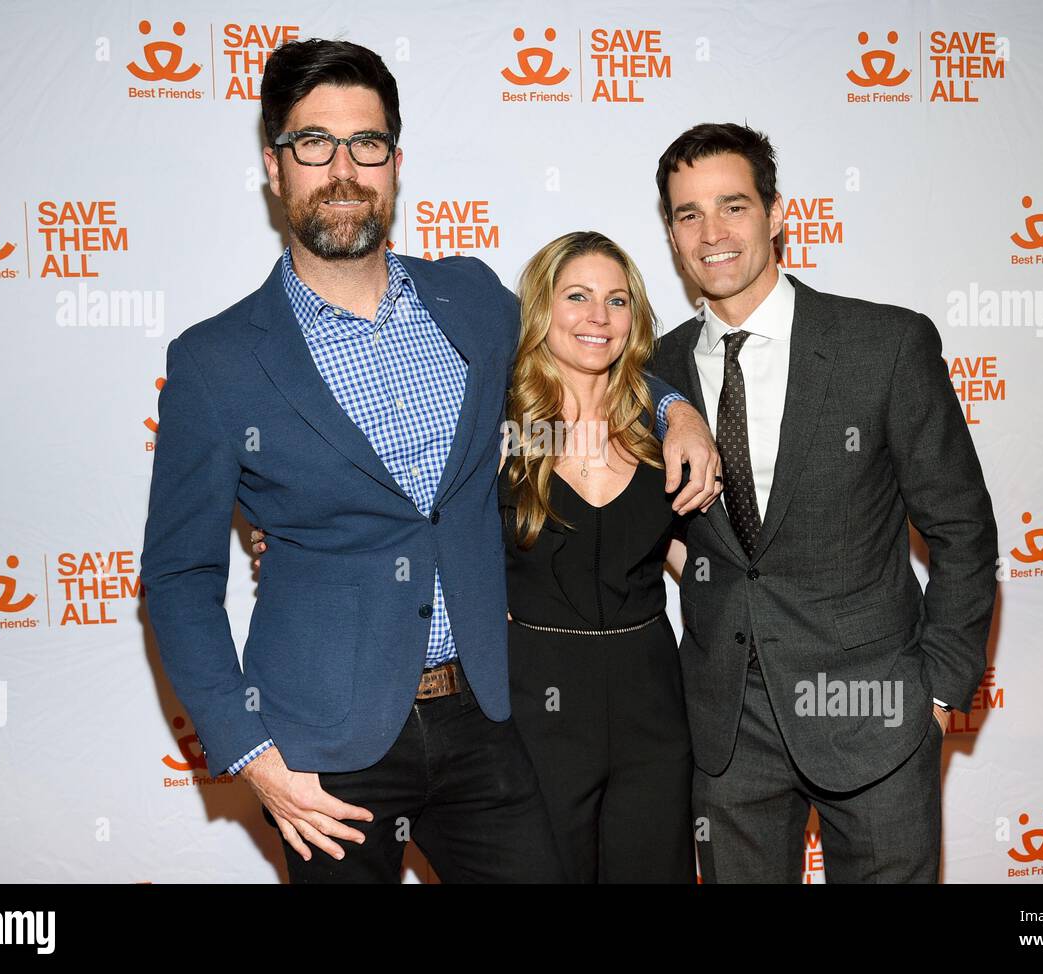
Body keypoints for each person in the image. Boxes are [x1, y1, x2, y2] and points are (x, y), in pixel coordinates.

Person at [140, 37, 720, 884]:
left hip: (488, 719)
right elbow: (179, 576)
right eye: (314, 144)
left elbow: (593, 348)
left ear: (395, 163)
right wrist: (253, 754)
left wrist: (676, 411)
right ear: (276, 168)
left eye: (366, 144)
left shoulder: (473, 301)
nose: (343, 167)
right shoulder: (216, 361)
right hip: (323, 749)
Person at [649, 123, 999, 883]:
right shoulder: (654, 368)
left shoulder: (884, 344)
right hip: (726, 732)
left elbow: (963, 531)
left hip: (877, 714)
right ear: (672, 235)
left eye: (732, 206)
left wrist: (936, 693)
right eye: (687, 215)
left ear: (777, 214)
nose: (712, 234)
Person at [499, 231, 695, 882]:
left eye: (617, 301)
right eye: (577, 296)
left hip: (653, 707)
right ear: (540, 310)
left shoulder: (659, 434)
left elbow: (704, 569)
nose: (598, 318)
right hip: (539, 706)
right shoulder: (499, 434)